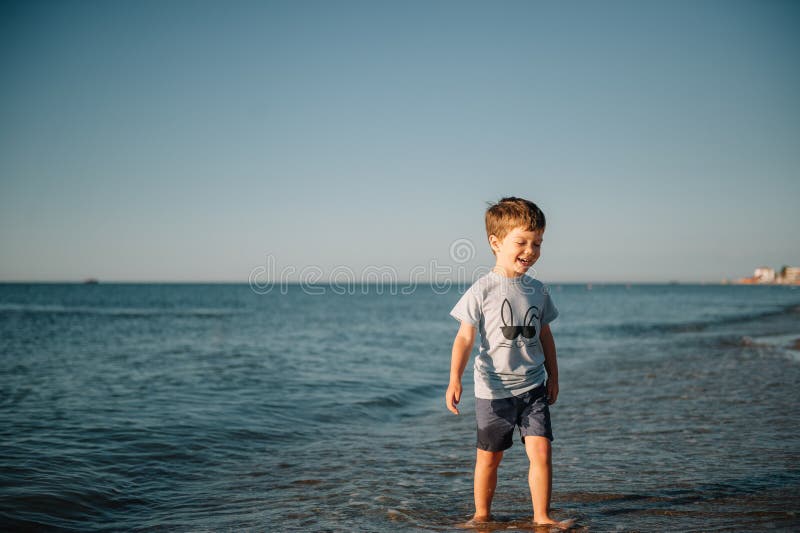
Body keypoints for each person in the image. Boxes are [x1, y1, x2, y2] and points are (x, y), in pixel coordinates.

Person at [446, 196, 572, 528]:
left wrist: (554, 377)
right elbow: (464, 338)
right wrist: (455, 379)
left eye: (537, 243)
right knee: (489, 458)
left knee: (542, 453)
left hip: (533, 387)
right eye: (522, 242)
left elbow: (545, 336)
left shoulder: (538, 290)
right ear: (496, 242)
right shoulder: (482, 290)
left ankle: (543, 518)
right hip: (493, 391)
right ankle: (482, 515)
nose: (530, 250)